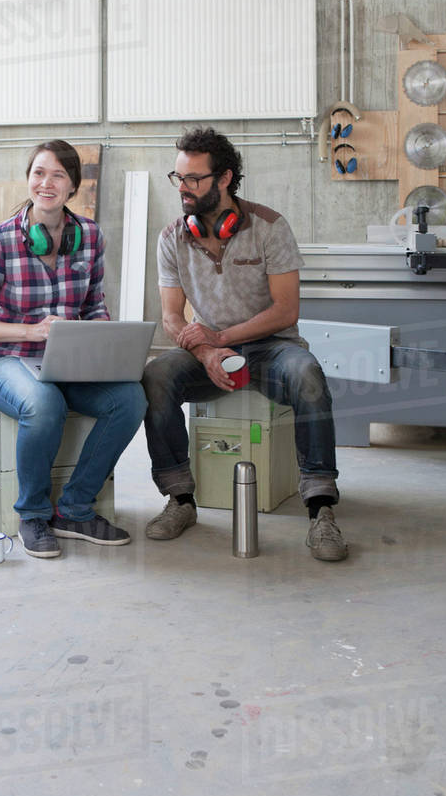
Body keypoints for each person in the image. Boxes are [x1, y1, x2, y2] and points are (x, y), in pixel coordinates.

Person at [142, 127, 347, 562]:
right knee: (156, 375)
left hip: (271, 347)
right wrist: (207, 352)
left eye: (193, 179)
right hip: (210, 353)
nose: (183, 188)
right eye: (178, 178)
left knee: (307, 375)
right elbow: (173, 317)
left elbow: (286, 310)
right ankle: (180, 499)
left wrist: (221, 339)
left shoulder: (270, 227)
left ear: (223, 178)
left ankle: (321, 508)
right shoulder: (171, 238)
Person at [0, 140, 147, 559]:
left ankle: (75, 509)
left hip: (66, 361)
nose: (46, 183)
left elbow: (95, 303)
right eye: (39, 173)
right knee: (45, 403)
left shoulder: (90, 237)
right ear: (28, 179)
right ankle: (34, 515)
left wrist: (98, 341)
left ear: (73, 185)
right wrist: (33, 331)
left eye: (58, 175)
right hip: (3, 362)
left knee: (130, 400)